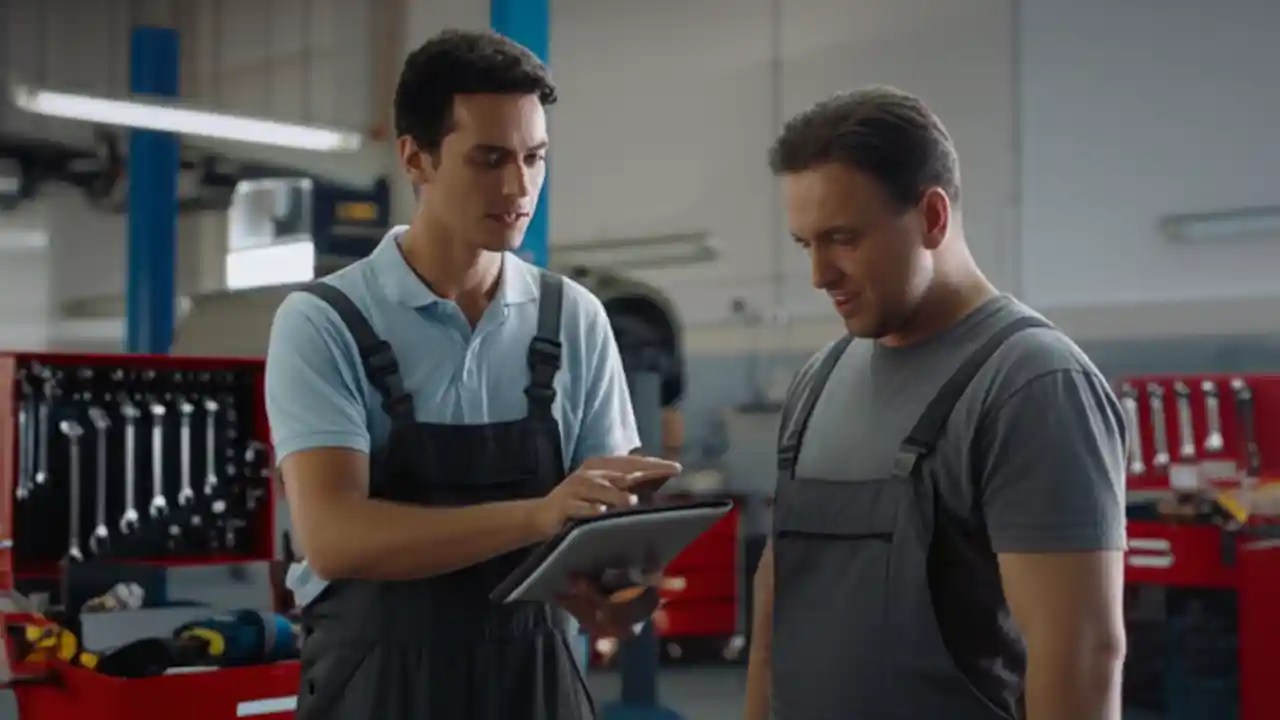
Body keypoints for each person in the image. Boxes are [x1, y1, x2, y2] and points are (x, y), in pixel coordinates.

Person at [265, 29, 681, 720]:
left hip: (537, 682)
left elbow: (603, 526)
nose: (520, 187)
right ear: (416, 158)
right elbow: (334, 538)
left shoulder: (572, 317)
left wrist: (619, 589)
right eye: (489, 159)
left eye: (534, 158)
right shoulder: (324, 322)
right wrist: (538, 516)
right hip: (379, 689)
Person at [744, 86, 1128, 720]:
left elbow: (1082, 656)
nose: (820, 274)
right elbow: (776, 604)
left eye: (842, 238)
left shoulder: (1032, 386)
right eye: (804, 244)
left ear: (932, 217)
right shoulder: (818, 380)